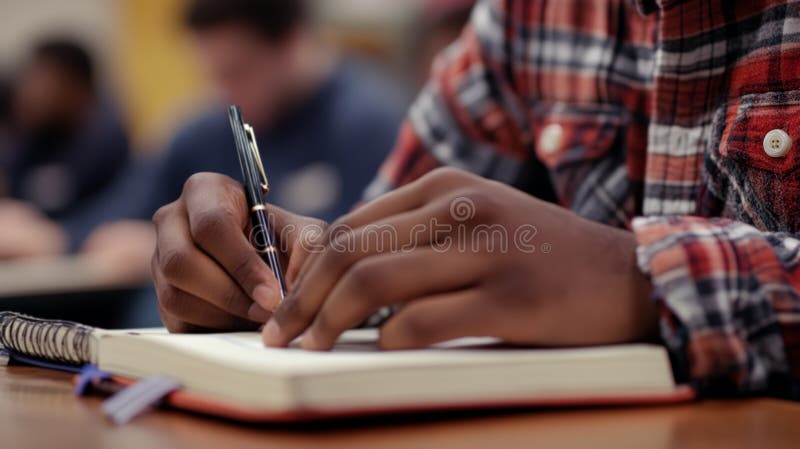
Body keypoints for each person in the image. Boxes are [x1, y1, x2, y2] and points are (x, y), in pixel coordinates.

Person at [151, 0, 800, 400]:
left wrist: (643, 278)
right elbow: (387, 235)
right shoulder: (526, 14)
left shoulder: (357, 113)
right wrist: (298, 270)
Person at [75, 0, 404, 278]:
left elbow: (365, 251)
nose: (223, 94)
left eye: (237, 72)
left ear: (293, 42)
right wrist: (57, 235)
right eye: (212, 76)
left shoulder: (365, 124)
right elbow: (119, 212)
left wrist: (192, 248)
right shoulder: (203, 130)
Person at [0, 39, 130, 259]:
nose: (29, 91)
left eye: (43, 79)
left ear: (78, 87)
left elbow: (121, 212)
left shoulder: (106, 144)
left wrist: (57, 236)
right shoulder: (31, 139)